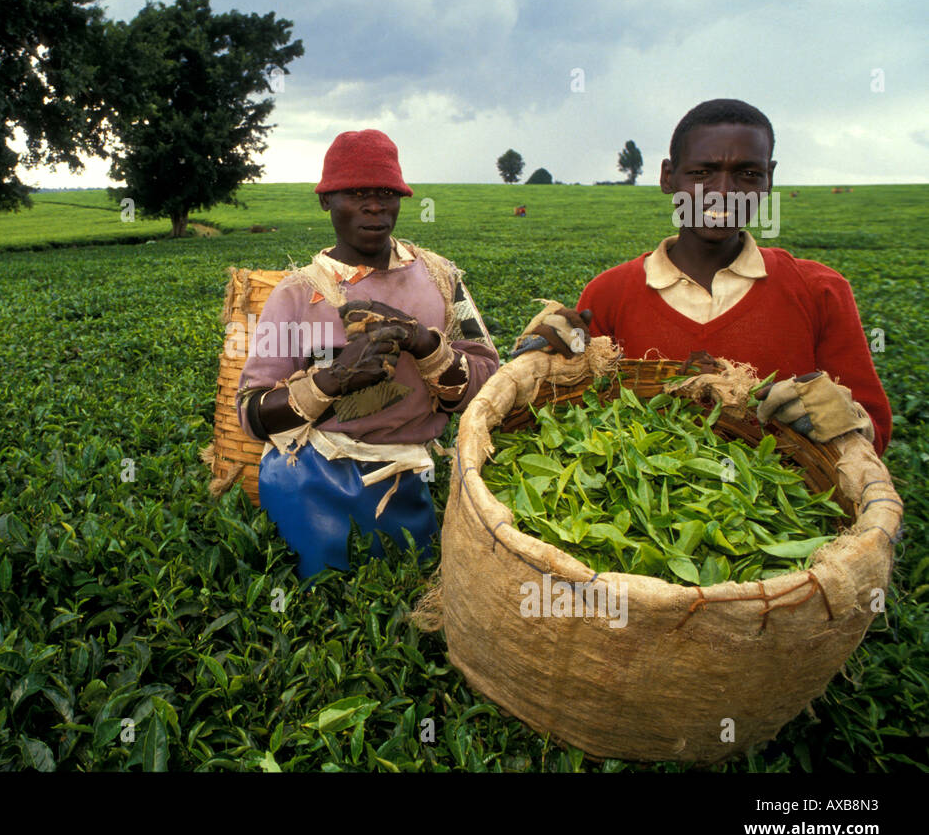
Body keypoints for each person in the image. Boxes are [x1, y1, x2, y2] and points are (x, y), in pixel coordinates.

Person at [519, 98, 891, 454]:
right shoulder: (609, 293)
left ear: (768, 179)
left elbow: (872, 433)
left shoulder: (820, 290)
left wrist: (845, 419)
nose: (724, 193)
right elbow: (577, 410)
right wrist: (552, 356)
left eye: (747, 174)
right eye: (701, 173)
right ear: (669, 177)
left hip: (786, 507)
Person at [236, 129, 500, 578]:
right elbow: (252, 414)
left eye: (386, 193)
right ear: (326, 201)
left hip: (413, 478)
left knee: (411, 594)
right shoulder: (297, 294)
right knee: (322, 601)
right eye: (356, 194)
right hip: (313, 480)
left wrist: (423, 343)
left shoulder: (440, 279)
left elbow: (489, 386)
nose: (374, 205)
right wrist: (334, 378)